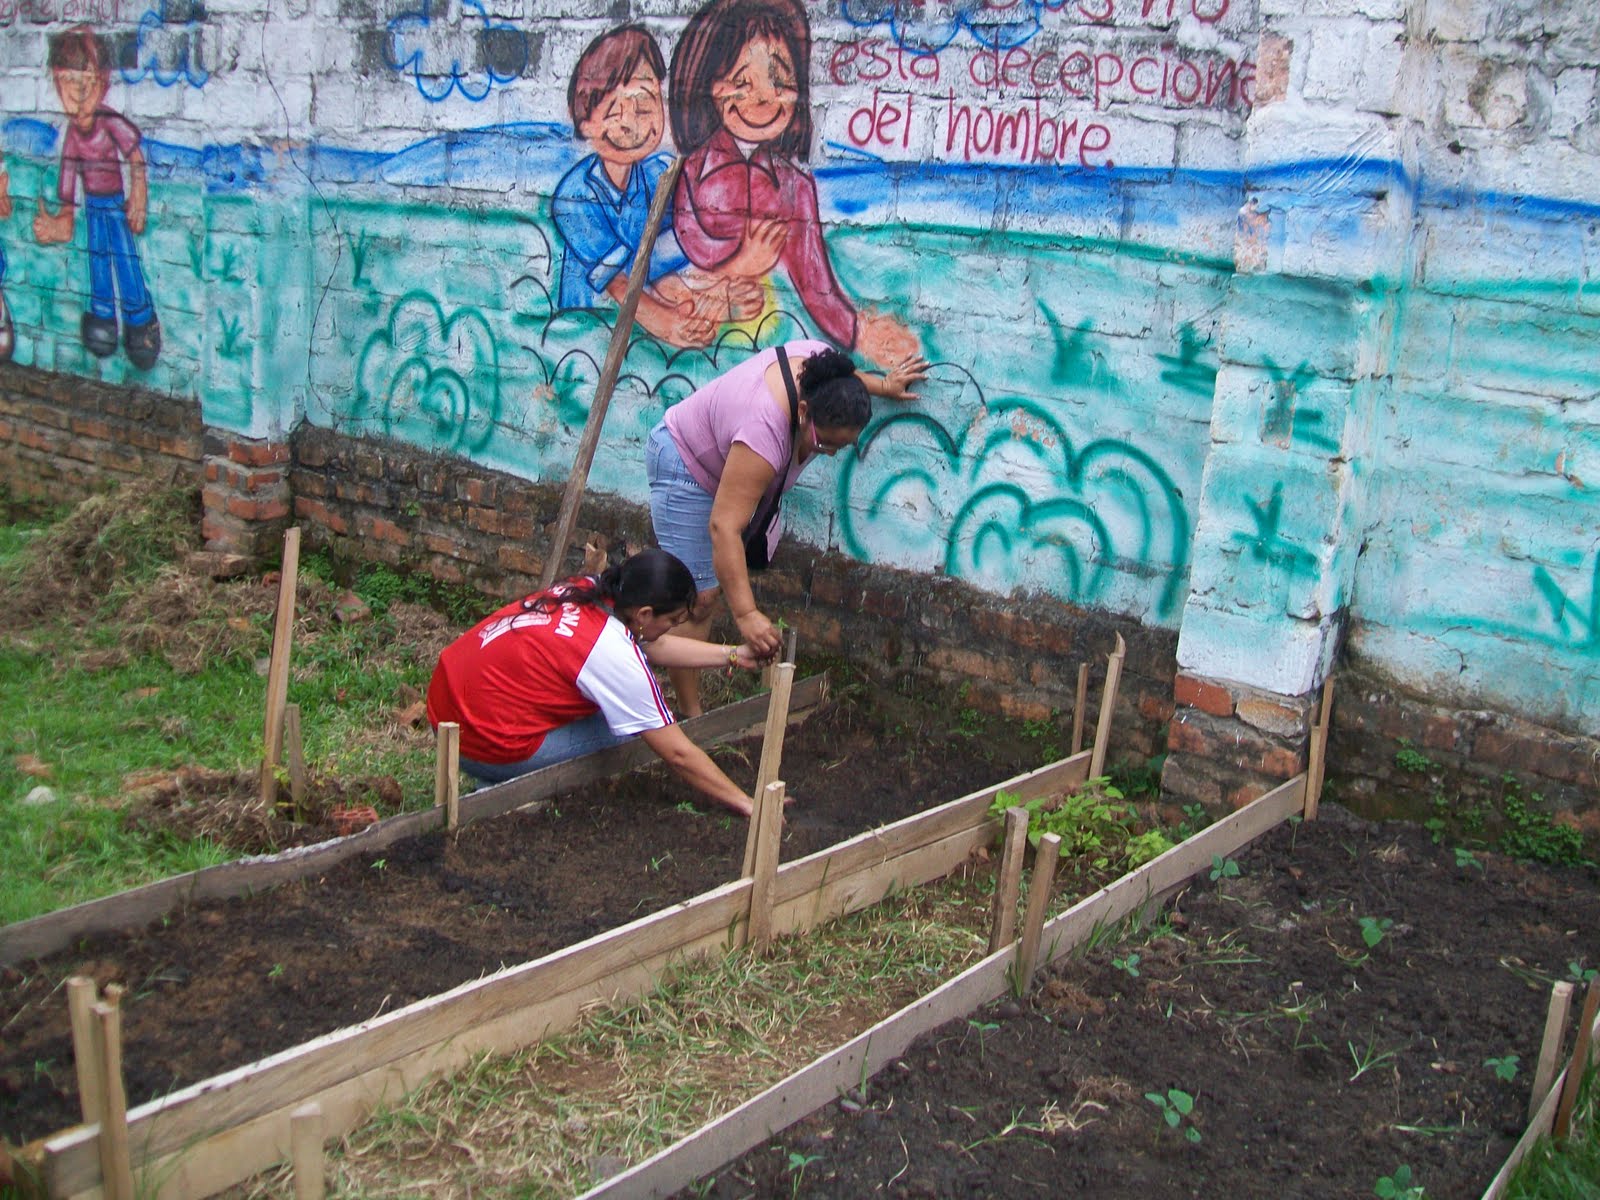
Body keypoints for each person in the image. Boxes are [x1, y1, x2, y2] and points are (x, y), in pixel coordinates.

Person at [646, 338, 925, 716]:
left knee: (703, 593)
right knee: (699, 599)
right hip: (686, 464)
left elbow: (845, 377)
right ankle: (690, 716)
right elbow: (724, 527)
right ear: (804, 411)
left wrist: (884, 385)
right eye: (824, 443)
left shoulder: (819, 367)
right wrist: (746, 615)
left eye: (841, 447)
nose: (828, 453)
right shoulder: (763, 430)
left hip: (727, 464)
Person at [667, 0, 919, 369]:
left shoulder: (796, 187)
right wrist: (741, 264)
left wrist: (860, 335)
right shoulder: (691, 172)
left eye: (780, 80)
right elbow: (684, 250)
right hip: (696, 353)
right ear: (713, 89)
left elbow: (816, 286)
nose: (764, 97)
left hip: (771, 348)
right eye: (742, 82)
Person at [426, 549, 768, 815]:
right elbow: (677, 753)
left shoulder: (590, 589)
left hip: (448, 707)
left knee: (630, 708)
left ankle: (501, 771)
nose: (674, 627)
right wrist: (747, 803)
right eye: (674, 620)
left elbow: (652, 644)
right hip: (478, 743)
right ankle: (500, 787)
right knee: (627, 730)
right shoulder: (608, 649)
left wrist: (733, 655)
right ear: (645, 614)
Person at [551, 24, 758, 348]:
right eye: (613, 111)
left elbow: (657, 264)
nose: (631, 123)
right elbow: (618, 285)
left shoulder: (660, 174)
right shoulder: (574, 197)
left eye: (644, 106)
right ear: (584, 121)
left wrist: (705, 300)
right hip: (587, 332)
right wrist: (669, 325)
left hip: (638, 333)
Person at [33, 25, 161, 370]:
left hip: (116, 205)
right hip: (92, 207)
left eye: (87, 83)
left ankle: (139, 321)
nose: (78, 93)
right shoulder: (73, 135)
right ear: (57, 84)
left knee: (125, 258)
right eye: (68, 83)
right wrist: (62, 220)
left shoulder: (108, 121)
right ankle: (103, 318)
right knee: (97, 260)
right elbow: (68, 179)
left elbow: (134, 154)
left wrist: (139, 194)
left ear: (103, 82)